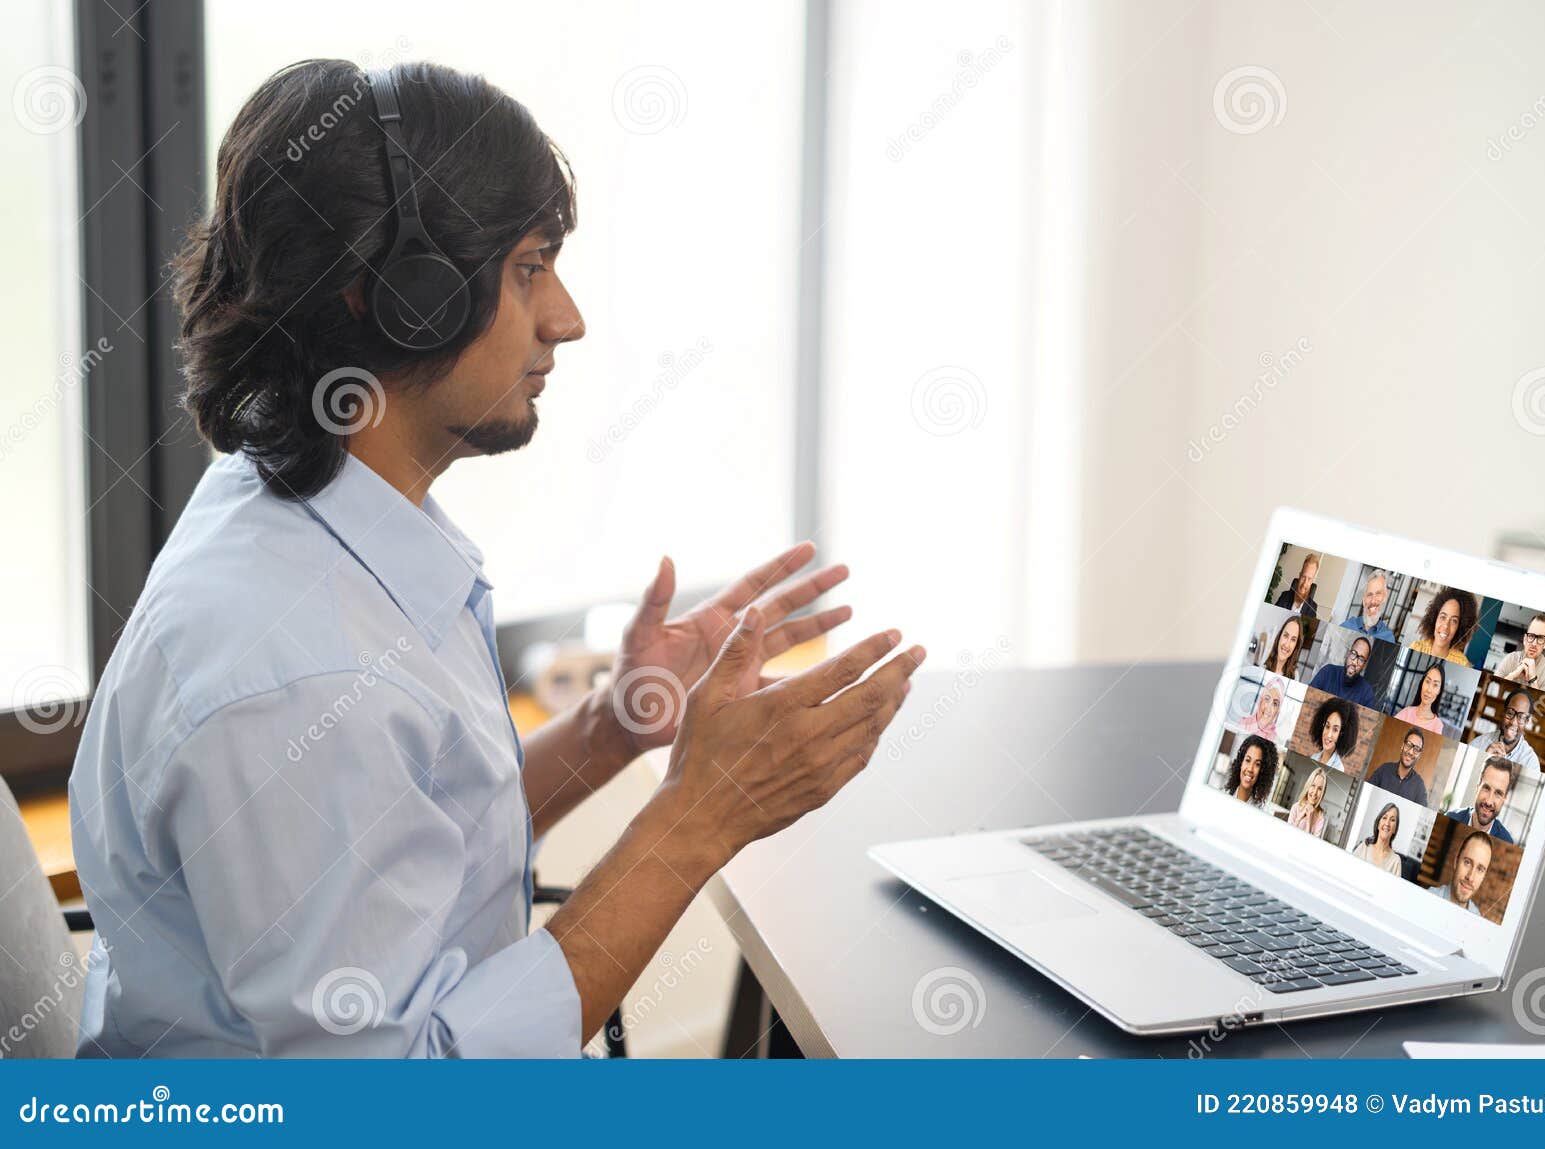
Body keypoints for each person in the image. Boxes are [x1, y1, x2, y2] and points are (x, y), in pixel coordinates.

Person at [65, 61, 925, 1059]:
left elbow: (416, 847)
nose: (564, 317)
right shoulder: (299, 671)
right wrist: (702, 817)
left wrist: (617, 724)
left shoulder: (299, 509)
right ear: (392, 298)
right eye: (526, 269)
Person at [1445, 757, 1518, 844]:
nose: (1489, 801)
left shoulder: (1506, 841)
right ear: (1477, 787)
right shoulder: (1450, 817)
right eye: (1486, 788)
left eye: (1498, 793)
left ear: (1504, 799)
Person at [1468, 691, 1540, 772]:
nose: (1513, 722)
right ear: (1503, 713)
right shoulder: (1478, 743)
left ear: (1526, 722)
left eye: (1521, 717)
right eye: (1510, 713)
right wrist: (1482, 760)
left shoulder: (1531, 763)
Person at [1408, 587, 1478, 666]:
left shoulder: (1462, 663)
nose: (1445, 626)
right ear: (1434, 618)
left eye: (1454, 621)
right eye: (1443, 617)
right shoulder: (1416, 647)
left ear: (1459, 628)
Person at [1429, 831, 1494, 916]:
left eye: (1480, 869)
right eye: (1467, 862)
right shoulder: (1428, 899)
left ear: (1483, 876)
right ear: (1456, 862)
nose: (1470, 877)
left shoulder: (1478, 919)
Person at [1308, 635, 1379, 708]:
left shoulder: (1366, 693)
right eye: (1353, 654)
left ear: (1364, 664)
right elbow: (1308, 699)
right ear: (1348, 654)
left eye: (1361, 659)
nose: (1354, 662)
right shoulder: (1328, 672)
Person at [1493, 613, 1545, 692]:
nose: (1534, 643)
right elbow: (1493, 687)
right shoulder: (1510, 658)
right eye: (1531, 636)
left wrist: (1533, 679)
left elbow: (1540, 703)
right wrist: (1514, 674)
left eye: (1540, 638)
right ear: (1525, 639)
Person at [1368, 728, 1430, 807]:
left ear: (1419, 756)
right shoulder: (1383, 770)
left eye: (1416, 749)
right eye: (1408, 745)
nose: (1411, 752)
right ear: (1402, 746)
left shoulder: (1419, 785)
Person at [1341, 570, 1397, 643]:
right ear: (1364, 600)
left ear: (1384, 598)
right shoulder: (1348, 625)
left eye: (1378, 594)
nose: (1373, 601)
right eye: (1369, 594)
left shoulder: (1388, 638)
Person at [1349, 802, 1403, 876]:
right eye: (1384, 818)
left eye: (1392, 820)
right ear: (1378, 824)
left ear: (1395, 829)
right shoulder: (1364, 847)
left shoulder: (1396, 861)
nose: (1387, 823)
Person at [1224, 735, 1279, 806]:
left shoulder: (1259, 810)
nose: (1250, 769)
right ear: (1241, 762)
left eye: (1257, 764)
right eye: (1247, 760)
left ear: (1262, 771)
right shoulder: (1222, 795)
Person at [1306, 695, 1357, 771]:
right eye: (1327, 726)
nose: (1329, 734)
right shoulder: (1314, 757)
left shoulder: (1339, 768)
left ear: (1341, 733)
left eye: (1335, 730)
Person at [1393, 663, 1446, 735]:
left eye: (1435, 685)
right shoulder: (1407, 712)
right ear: (1422, 683)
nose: (1429, 690)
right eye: (1427, 681)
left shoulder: (1437, 726)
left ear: (1439, 691)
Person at [1286, 766, 1329, 838]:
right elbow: (1288, 836)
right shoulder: (1295, 807)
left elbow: (1310, 846)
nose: (1315, 792)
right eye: (1313, 785)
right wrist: (1299, 818)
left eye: (1320, 789)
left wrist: (1309, 820)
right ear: (1308, 786)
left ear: (1323, 793)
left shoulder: (1320, 818)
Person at [1274, 553, 1320, 617]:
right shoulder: (1284, 596)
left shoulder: (1312, 608)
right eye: (1304, 577)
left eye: (1309, 579)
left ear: (1312, 581)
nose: (1304, 584)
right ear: (1300, 575)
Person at [1260, 614, 1305, 679]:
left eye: (1293, 640)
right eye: (1286, 635)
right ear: (1279, 637)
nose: (1287, 645)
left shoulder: (1295, 677)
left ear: (1296, 646)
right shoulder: (1263, 665)